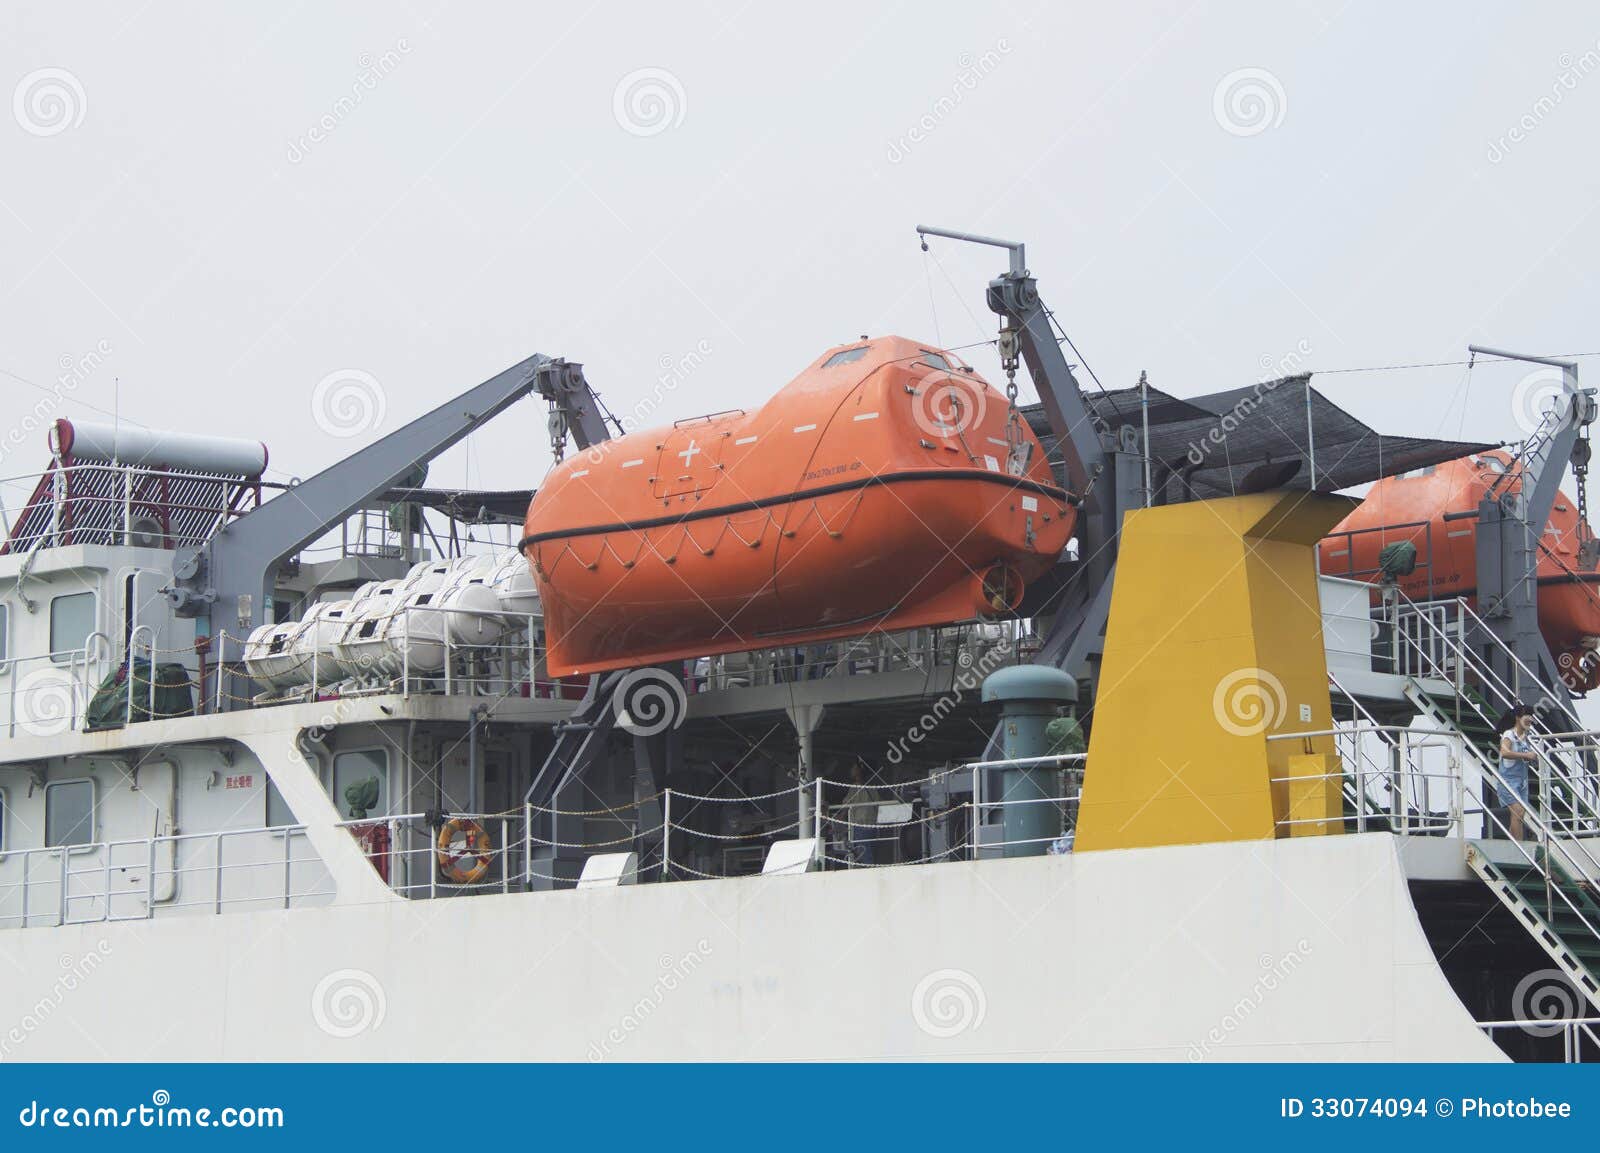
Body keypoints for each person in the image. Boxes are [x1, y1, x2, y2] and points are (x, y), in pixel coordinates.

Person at [1496, 705, 1538, 841]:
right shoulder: (1509, 734)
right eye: (1527, 716)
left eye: (1531, 716)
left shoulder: (1525, 737)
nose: (1530, 719)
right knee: (1518, 812)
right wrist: (1525, 756)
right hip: (1508, 781)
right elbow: (1504, 752)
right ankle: (1519, 846)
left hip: (1522, 781)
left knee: (1519, 815)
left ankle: (1513, 843)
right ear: (1518, 718)